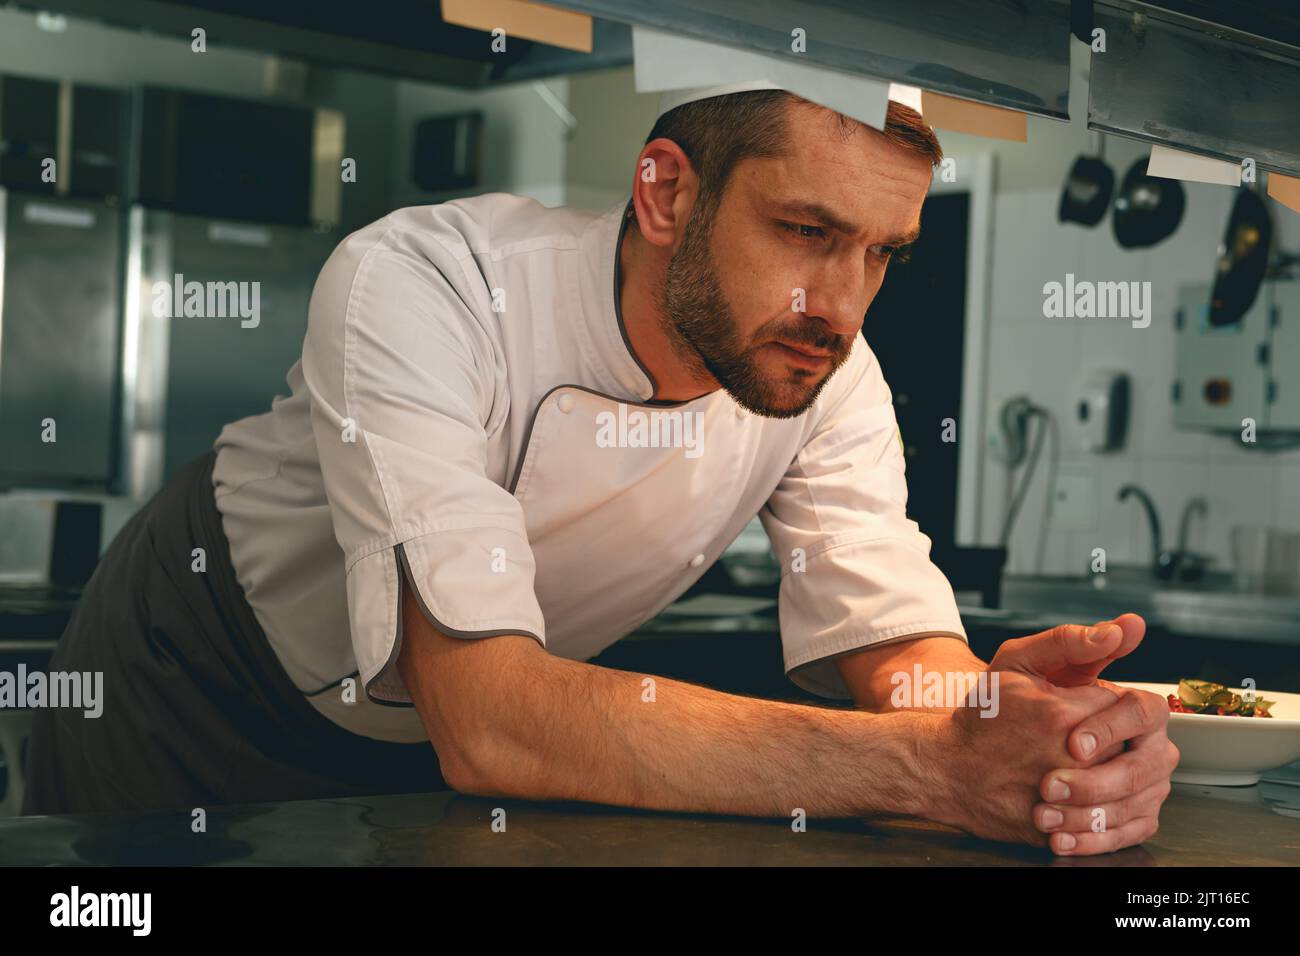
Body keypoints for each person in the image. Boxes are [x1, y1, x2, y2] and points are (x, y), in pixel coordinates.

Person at [24, 85, 1176, 856]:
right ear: (666, 191)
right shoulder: (427, 285)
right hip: (192, 669)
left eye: (881, 254)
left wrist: (997, 715)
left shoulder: (828, 367)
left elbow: (885, 634)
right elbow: (488, 714)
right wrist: (928, 773)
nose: (839, 305)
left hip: (424, 745)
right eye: (806, 233)